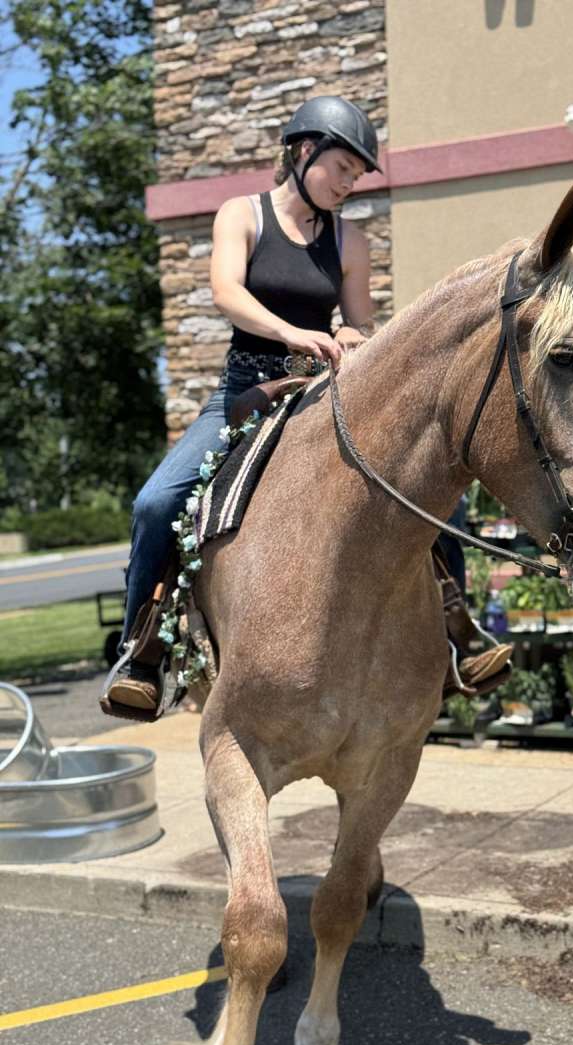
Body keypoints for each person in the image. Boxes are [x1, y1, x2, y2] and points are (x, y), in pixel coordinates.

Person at [102, 95, 380, 714]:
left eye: (357, 176)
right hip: (244, 392)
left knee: (408, 467)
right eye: (341, 167)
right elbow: (225, 292)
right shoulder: (242, 214)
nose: (347, 183)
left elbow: (360, 322)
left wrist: (352, 337)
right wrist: (290, 331)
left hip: (318, 392)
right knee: (155, 503)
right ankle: (141, 653)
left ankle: (455, 633)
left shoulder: (350, 240)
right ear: (303, 151)